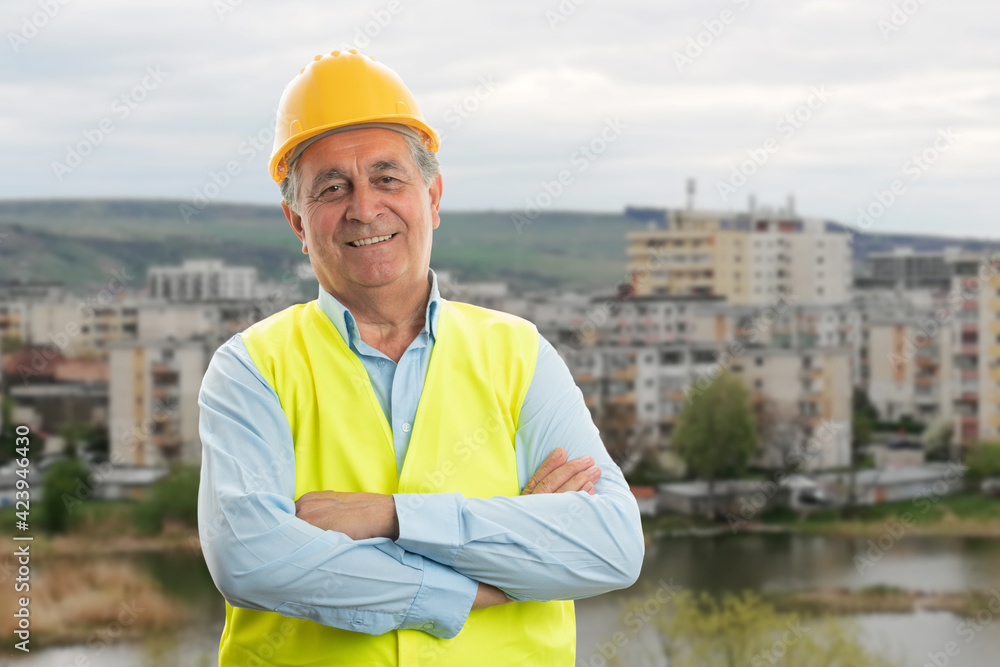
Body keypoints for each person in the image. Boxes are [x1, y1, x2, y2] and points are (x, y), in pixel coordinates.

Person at [197, 49, 644, 667]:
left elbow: (610, 547)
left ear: (431, 196)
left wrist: (389, 517)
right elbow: (252, 559)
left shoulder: (519, 354)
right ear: (296, 221)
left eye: (387, 178)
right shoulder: (250, 369)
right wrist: (468, 585)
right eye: (332, 188)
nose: (363, 207)